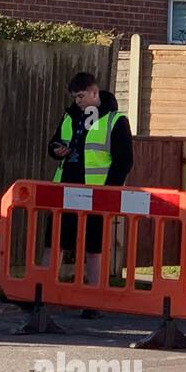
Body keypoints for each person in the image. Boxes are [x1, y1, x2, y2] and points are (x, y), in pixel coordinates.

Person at [46, 72, 133, 317]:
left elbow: (124, 161)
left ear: (95, 93)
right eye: (74, 97)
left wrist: (109, 192)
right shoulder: (70, 115)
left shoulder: (115, 120)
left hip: (96, 192)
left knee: (93, 247)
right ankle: (43, 296)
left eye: (81, 96)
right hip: (64, 188)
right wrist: (57, 150)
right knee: (55, 241)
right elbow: (53, 143)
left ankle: (92, 301)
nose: (78, 101)